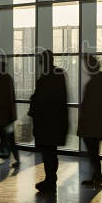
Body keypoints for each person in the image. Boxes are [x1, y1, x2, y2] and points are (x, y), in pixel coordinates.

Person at [29, 50, 69, 193]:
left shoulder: (45, 78)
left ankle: (50, 180)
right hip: (55, 121)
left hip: (46, 122)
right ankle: (51, 180)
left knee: (48, 153)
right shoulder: (59, 75)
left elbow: (40, 100)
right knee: (51, 152)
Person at [77, 54, 102, 188]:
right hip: (96, 124)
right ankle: (97, 176)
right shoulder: (101, 80)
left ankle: (98, 176)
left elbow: (91, 105)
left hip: (92, 125)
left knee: (93, 152)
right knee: (94, 152)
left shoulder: (96, 81)